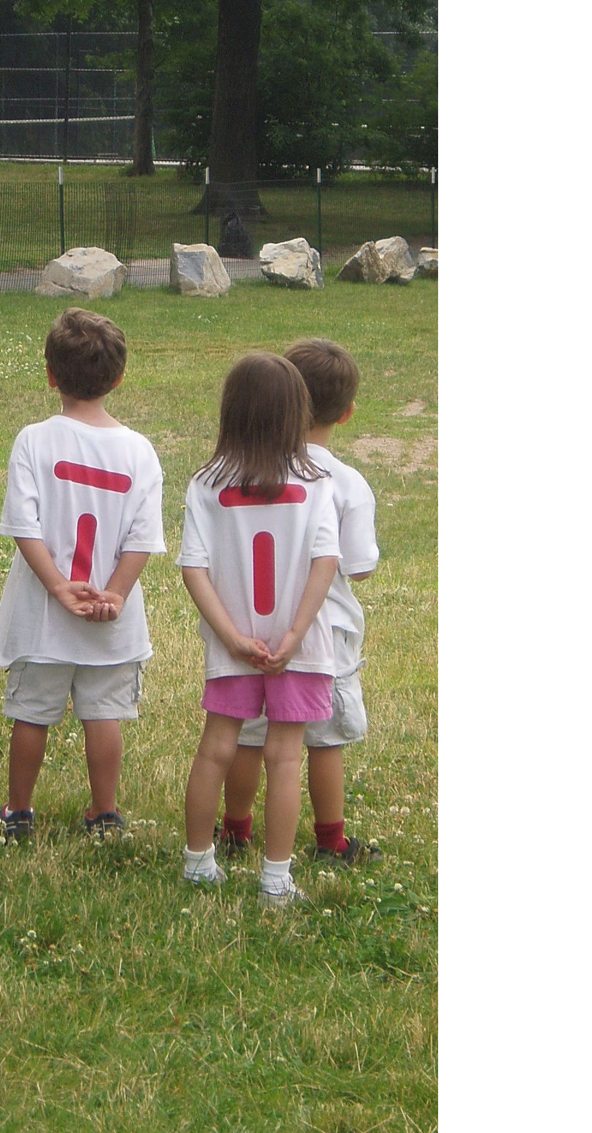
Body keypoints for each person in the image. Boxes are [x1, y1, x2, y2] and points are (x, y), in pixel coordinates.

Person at [0, 308, 165, 841]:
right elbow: (142, 537)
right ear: (119, 377)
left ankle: (18, 811)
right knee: (104, 713)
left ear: (50, 375)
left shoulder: (34, 440)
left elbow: (22, 524)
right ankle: (104, 812)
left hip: (42, 614)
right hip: (110, 615)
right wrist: (116, 594)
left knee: (32, 713)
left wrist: (59, 587)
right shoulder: (139, 450)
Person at [176, 353, 341, 907]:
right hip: (303, 647)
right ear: (298, 415)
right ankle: (275, 878)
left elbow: (193, 569)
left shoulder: (205, 483)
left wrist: (230, 637)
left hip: (233, 646)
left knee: (216, 748)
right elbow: (326, 562)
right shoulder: (317, 482)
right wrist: (293, 636)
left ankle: (199, 861)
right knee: (286, 758)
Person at [217, 338, 382, 864]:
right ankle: (331, 841)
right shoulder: (346, 481)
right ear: (348, 412)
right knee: (322, 738)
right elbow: (358, 564)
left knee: (248, 734)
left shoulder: (249, 468)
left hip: (250, 626)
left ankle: (236, 831)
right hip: (323, 638)